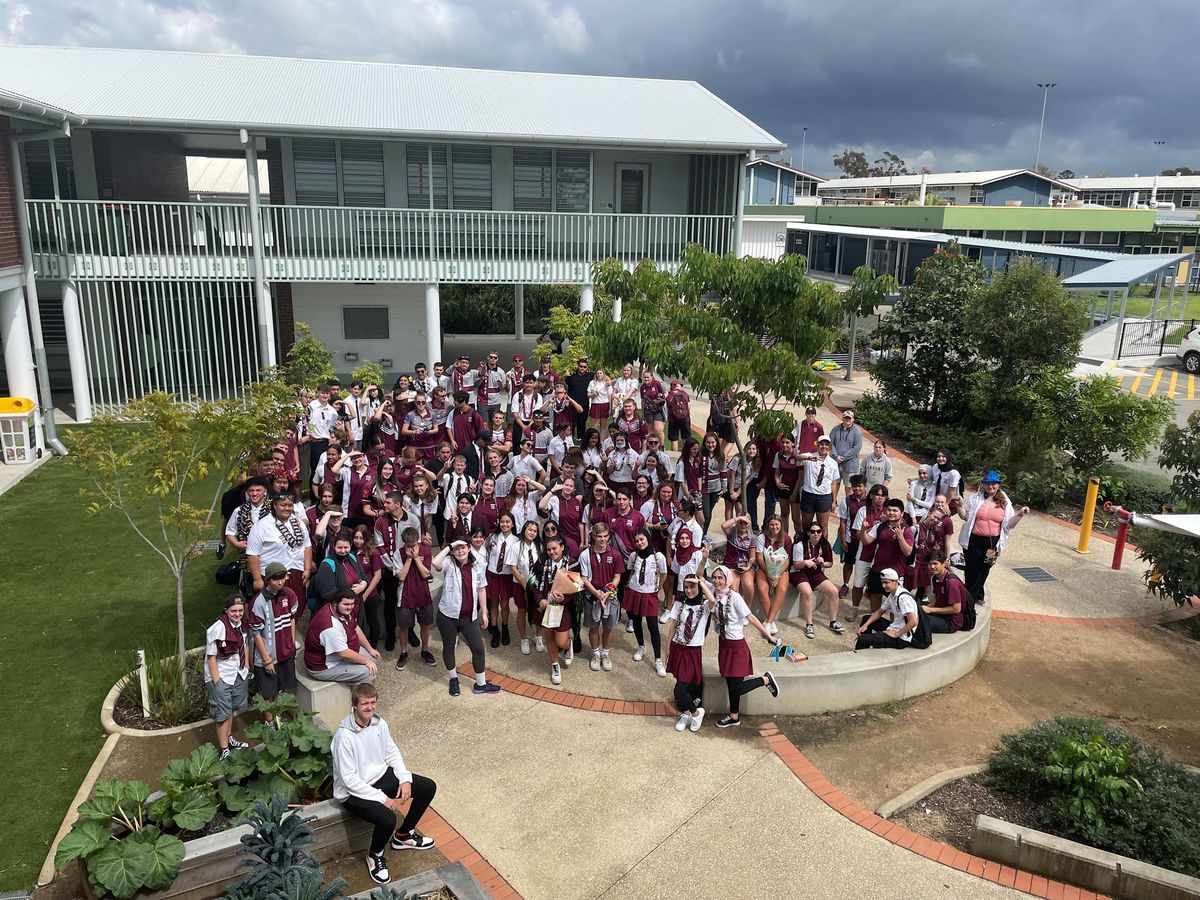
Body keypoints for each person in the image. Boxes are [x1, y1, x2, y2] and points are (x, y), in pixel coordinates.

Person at [333, 682, 438, 885]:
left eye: (373, 703)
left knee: (427, 787)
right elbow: (348, 780)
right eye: (365, 704)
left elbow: (391, 751)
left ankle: (404, 835)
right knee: (387, 819)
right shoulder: (343, 737)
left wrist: (405, 778)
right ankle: (375, 855)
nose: (370, 708)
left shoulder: (379, 724)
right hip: (353, 792)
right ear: (355, 705)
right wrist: (382, 798)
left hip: (380, 776)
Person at [706, 565, 780, 728]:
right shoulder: (715, 596)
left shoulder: (735, 597)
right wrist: (704, 558)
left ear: (728, 580)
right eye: (715, 577)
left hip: (737, 646)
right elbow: (699, 580)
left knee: (737, 687)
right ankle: (734, 717)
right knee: (731, 684)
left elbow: (751, 617)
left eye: (721, 577)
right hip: (724, 644)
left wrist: (768, 635)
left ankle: (765, 680)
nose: (717, 581)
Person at [433, 539, 501, 697]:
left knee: (478, 649)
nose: (460, 551)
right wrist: (451, 544)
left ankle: (481, 684)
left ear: (469, 548)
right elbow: (435, 563)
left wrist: (484, 612)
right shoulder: (449, 563)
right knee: (449, 647)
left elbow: (482, 589)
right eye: (456, 549)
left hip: (468, 617)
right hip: (447, 616)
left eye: (462, 547)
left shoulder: (477, 565)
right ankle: (453, 679)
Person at [956, 470, 1026, 606]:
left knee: (985, 568)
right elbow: (965, 516)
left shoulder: (1005, 501)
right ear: (983, 485)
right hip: (974, 541)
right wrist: (959, 505)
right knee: (972, 569)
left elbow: (1008, 525)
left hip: (992, 544)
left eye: (994, 484)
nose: (991, 486)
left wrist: (1020, 515)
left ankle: (975, 595)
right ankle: (969, 600)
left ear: (998, 485)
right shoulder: (976, 498)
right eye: (988, 484)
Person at [249, 562, 301, 729]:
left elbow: (292, 618)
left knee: (283, 689)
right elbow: (256, 633)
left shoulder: (290, 595)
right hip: (268, 658)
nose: (280, 583)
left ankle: (279, 718)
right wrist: (266, 659)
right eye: (276, 579)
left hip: (286, 653)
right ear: (268, 580)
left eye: (282, 578)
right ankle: (270, 722)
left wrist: (291, 642)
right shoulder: (258, 602)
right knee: (268, 693)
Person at [246, 494, 313, 609]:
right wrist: (257, 579)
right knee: (274, 607)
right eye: (283, 505)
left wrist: (307, 568)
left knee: (297, 604)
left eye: (290, 505)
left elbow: (307, 546)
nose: (287, 508)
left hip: (296, 571)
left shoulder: (299, 523)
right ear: (275, 505)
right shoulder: (261, 526)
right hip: (273, 576)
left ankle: (292, 626)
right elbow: (252, 554)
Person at [205, 594, 251, 759]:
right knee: (222, 714)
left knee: (231, 708)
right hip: (222, 676)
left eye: (240, 610)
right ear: (226, 610)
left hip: (237, 672)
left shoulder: (242, 624)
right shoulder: (217, 628)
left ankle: (229, 739)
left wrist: (246, 665)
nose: (238, 614)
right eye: (233, 611)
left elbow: (245, 643)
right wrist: (217, 682)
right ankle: (224, 749)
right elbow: (211, 658)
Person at [665, 574, 711, 732]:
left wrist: (701, 582)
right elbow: (673, 625)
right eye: (686, 587)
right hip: (678, 646)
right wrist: (668, 647)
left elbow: (713, 600)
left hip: (692, 650)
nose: (689, 590)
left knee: (679, 689)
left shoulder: (704, 605)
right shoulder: (680, 603)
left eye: (692, 587)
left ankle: (696, 713)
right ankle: (686, 714)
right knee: (680, 684)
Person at [305, 589, 381, 683]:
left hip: (342, 652)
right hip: (324, 666)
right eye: (346, 604)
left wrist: (370, 649)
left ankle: (364, 691)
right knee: (368, 671)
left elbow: (355, 628)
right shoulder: (330, 627)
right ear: (335, 603)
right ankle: (361, 696)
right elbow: (344, 654)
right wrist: (366, 661)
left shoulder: (339, 611)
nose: (349, 607)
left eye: (352, 604)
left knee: (373, 658)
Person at [533, 535, 579, 684]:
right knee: (548, 636)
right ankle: (554, 665)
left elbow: (577, 588)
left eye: (554, 548)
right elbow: (533, 583)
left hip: (563, 607)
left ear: (562, 547)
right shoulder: (541, 563)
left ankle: (568, 645)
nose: (552, 552)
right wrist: (540, 599)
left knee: (561, 641)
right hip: (546, 606)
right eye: (548, 549)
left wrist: (564, 599)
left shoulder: (571, 564)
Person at [580, 522, 625, 672]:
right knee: (593, 628)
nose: (602, 539)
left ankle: (605, 654)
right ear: (593, 536)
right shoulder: (585, 555)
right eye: (599, 536)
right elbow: (585, 578)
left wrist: (607, 592)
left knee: (608, 628)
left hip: (610, 597)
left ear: (609, 536)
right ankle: (596, 654)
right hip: (592, 598)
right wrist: (597, 594)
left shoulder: (616, 554)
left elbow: (617, 577)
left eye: (605, 536)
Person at [623, 530, 668, 677]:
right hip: (635, 591)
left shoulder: (658, 556)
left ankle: (657, 659)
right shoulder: (633, 556)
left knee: (652, 626)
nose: (639, 543)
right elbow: (629, 571)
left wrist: (658, 587)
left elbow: (664, 573)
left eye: (642, 539)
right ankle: (641, 646)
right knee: (636, 621)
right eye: (636, 541)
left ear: (647, 539)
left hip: (649, 593)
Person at [791, 521, 845, 638]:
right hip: (800, 573)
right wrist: (805, 562)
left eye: (818, 531)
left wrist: (823, 563)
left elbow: (829, 563)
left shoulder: (825, 545)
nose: (816, 534)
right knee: (807, 592)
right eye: (813, 531)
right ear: (808, 533)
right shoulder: (800, 545)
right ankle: (809, 624)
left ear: (821, 533)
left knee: (834, 592)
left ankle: (833, 622)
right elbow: (796, 565)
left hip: (815, 573)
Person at [394, 527, 436, 671]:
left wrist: (416, 558)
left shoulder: (426, 551)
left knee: (425, 624)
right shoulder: (398, 553)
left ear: (418, 541)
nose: (411, 548)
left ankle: (424, 651)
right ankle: (404, 652)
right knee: (404, 626)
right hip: (405, 596)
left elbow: (426, 574)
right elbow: (401, 576)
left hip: (423, 594)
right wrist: (408, 559)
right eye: (408, 545)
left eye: (414, 545)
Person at [861, 498, 914, 613]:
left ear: (902, 513)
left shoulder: (907, 530)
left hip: (896, 573)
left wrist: (900, 537)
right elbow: (866, 541)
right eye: (889, 510)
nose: (891, 513)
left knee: (895, 605)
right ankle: (874, 624)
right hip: (877, 570)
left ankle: (894, 628)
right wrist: (863, 530)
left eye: (895, 511)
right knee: (875, 596)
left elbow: (908, 552)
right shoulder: (880, 526)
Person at [854, 568, 919, 650]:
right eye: (882, 582)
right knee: (866, 619)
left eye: (886, 582)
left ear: (895, 582)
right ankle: (867, 648)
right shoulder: (892, 595)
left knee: (863, 640)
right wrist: (865, 625)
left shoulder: (903, 598)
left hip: (902, 638)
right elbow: (879, 612)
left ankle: (861, 657)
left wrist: (896, 634)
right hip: (895, 627)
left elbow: (913, 621)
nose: (883, 586)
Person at [752, 516, 792, 637]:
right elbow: (759, 558)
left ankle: (768, 621)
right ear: (768, 526)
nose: (774, 527)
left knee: (782, 589)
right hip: (764, 568)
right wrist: (770, 574)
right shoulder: (762, 538)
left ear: (781, 525)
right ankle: (772, 622)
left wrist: (777, 575)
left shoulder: (786, 539)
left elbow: (788, 559)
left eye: (777, 524)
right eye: (772, 525)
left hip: (780, 570)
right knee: (762, 589)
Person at [795, 435, 840, 536]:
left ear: (829, 447)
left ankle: (823, 548)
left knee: (823, 525)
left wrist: (833, 501)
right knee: (806, 525)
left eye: (826, 444)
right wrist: (810, 458)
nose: (824, 447)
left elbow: (833, 483)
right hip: (809, 494)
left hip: (824, 496)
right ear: (817, 446)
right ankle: (806, 547)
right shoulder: (810, 456)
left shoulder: (833, 463)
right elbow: (797, 457)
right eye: (821, 444)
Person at [926, 551, 966, 633]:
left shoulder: (951, 583)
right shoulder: (935, 578)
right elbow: (937, 598)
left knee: (919, 622)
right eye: (930, 564)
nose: (932, 567)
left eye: (935, 563)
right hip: (941, 615)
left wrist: (930, 610)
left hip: (951, 621)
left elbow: (956, 609)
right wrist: (925, 609)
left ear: (944, 564)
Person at [828, 409, 863, 505]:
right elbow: (830, 443)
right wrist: (835, 456)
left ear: (853, 420)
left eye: (849, 418)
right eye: (845, 418)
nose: (847, 420)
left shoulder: (857, 432)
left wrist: (844, 457)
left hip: (850, 464)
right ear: (842, 418)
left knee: (849, 486)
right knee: (835, 483)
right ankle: (833, 501)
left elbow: (857, 447)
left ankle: (849, 504)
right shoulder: (835, 429)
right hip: (836, 463)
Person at [564, 357, 593, 441]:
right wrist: (564, 375)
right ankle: (570, 439)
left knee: (582, 423)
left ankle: (581, 440)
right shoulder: (571, 376)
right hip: (572, 403)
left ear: (587, 367)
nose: (582, 368)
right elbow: (560, 383)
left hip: (584, 403)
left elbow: (602, 375)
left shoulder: (590, 376)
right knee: (572, 423)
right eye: (581, 366)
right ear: (578, 366)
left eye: (584, 367)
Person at [639, 369, 667, 442]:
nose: (646, 379)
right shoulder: (642, 387)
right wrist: (642, 413)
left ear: (652, 377)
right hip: (648, 410)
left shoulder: (657, 384)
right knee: (650, 431)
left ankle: (661, 447)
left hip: (658, 410)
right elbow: (643, 400)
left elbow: (666, 393)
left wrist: (660, 399)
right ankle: (652, 446)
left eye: (648, 377)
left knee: (658, 430)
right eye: (644, 377)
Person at [665, 379, 692, 452]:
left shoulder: (669, 394)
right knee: (686, 438)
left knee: (674, 439)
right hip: (685, 418)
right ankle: (687, 454)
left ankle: (674, 455)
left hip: (673, 419)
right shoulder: (685, 394)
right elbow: (689, 406)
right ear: (678, 386)